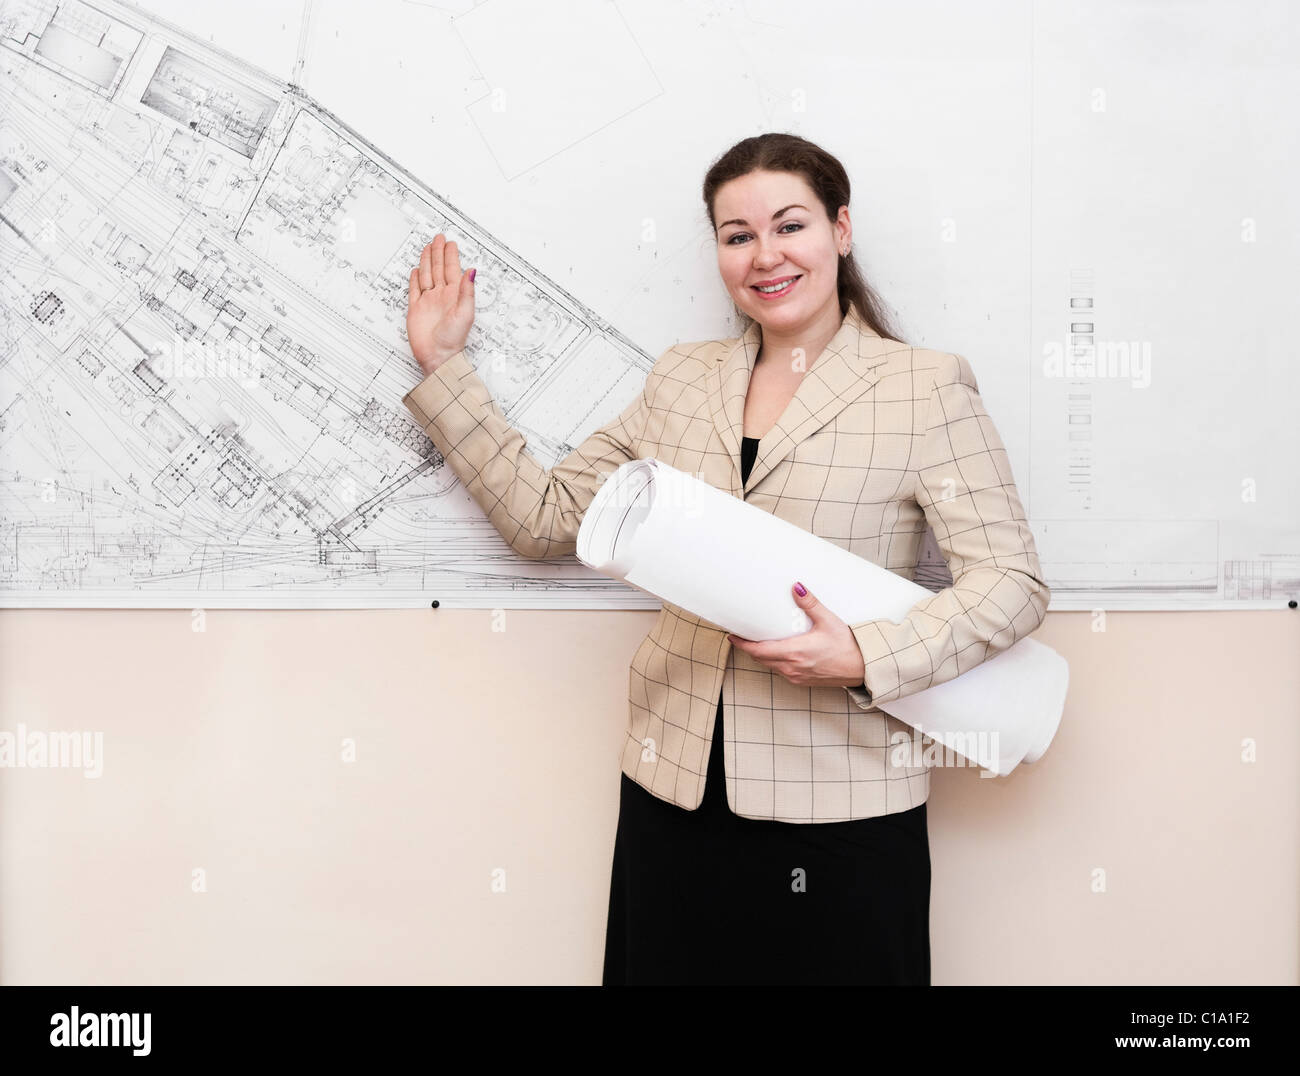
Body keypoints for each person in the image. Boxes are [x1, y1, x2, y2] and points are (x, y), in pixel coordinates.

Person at [401, 133, 1051, 985]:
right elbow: (546, 517)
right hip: (674, 802)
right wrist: (443, 364)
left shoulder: (925, 388)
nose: (765, 255)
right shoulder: (681, 378)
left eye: (790, 225)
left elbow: (1013, 583)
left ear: (841, 230)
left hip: (841, 810)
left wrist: (862, 654)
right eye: (737, 235)